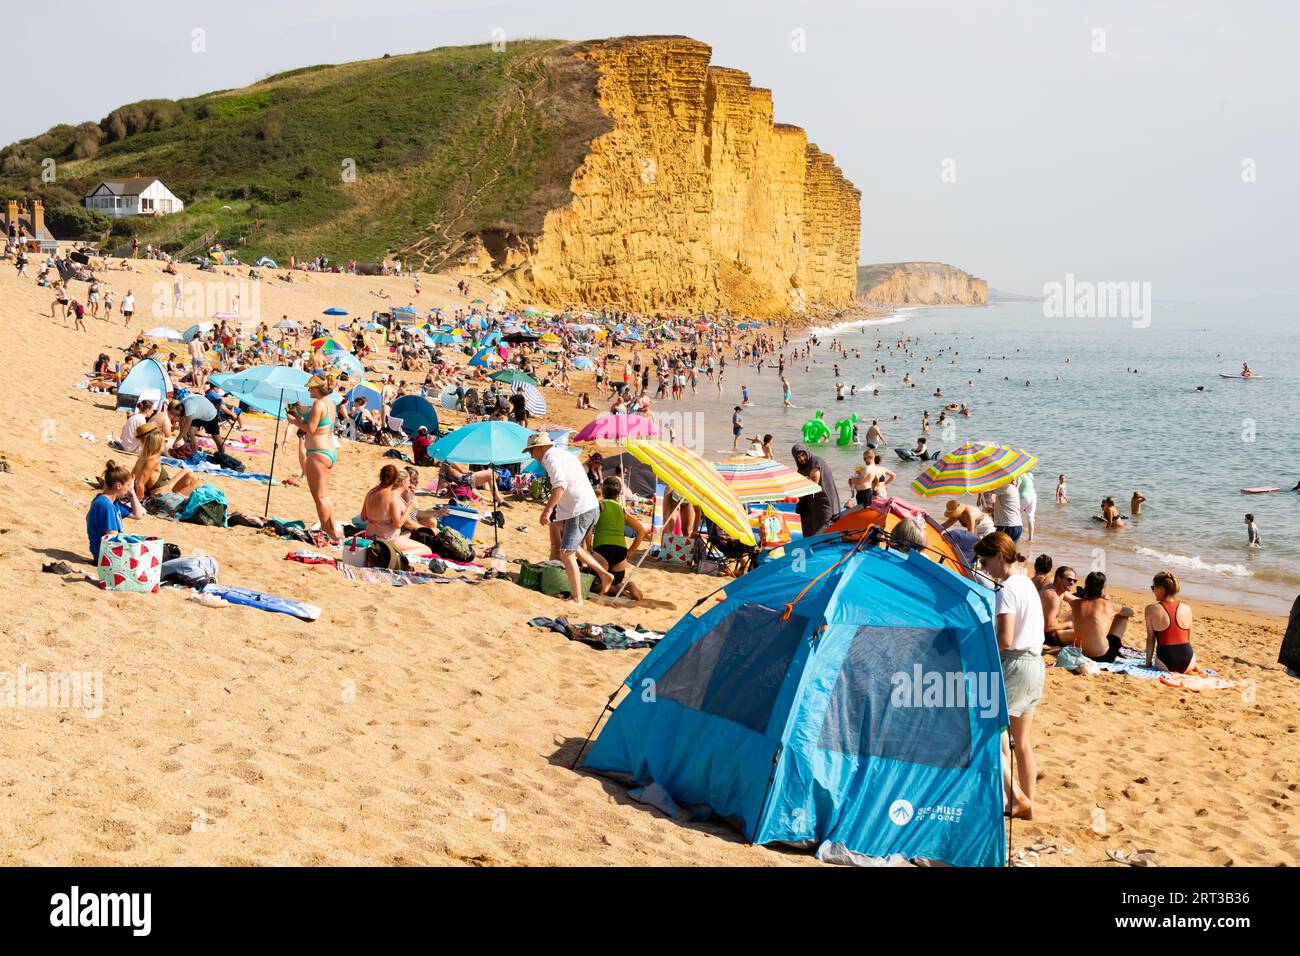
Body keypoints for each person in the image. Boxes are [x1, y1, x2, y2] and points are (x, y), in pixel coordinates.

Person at [973, 532, 1043, 820]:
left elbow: (1005, 637)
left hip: (1014, 664)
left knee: (987, 733)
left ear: (1000, 556)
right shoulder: (1026, 583)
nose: (984, 567)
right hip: (1036, 665)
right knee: (1022, 742)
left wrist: (980, 645)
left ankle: (1016, 797)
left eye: (986, 561)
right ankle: (1027, 801)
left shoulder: (1007, 590)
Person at [527, 432, 613, 604]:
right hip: (590, 507)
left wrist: (547, 510)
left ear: (539, 448)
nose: (531, 456)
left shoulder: (550, 458)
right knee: (573, 548)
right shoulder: (564, 454)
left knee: (566, 554)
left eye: (531, 451)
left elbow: (560, 486)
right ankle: (604, 574)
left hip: (579, 510)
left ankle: (577, 599)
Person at [286, 373, 343, 540]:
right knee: (324, 496)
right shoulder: (330, 403)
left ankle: (328, 532)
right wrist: (299, 416)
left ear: (318, 389)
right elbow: (319, 426)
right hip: (329, 451)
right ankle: (334, 532)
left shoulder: (318, 404)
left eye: (311, 387)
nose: (308, 389)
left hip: (318, 453)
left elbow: (310, 429)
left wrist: (293, 421)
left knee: (319, 497)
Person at [588, 476, 648, 600]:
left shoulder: (600, 506)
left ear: (603, 492)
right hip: (621, 552)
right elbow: (641, 531)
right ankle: (627, 585)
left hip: (602, 549)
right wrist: (630, 552)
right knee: (615, 580)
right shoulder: (622, 510)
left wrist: (589, 549)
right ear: (618, 494)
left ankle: (615, 589)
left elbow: (588, 529)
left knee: (592, 586)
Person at [86, 460, 144, 562]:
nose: (128, 489)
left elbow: (138, 515)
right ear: (118, 485)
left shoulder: (113, 502)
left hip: (109, 551)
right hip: (106, 556)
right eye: (128, 486)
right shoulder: (104, 505)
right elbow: (112, 536)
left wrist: (132, 493)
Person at [359, 465, 426, 554]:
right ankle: (397, 554)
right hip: (386, 540)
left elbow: (363, 518)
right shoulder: (393, 497)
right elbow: (398, 524)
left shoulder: (371, 492)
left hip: (369, 536)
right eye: (408, 480)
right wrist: (409, 507)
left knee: (407, 535)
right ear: (402, 481)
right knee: (426, 550)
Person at [1071, 571, 1134, 663]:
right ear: (1102, 587)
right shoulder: (1106, 604)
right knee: (1122, 616)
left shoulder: (1076, 603)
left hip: (1081, 653)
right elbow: (1131, 612)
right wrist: (1108, 601)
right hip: (1102, 656)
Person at [131, 421, 203, 500]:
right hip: (164, 500)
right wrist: (139, 503)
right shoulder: (152, 461)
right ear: (157, 443)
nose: (165, 444)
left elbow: (132, 478)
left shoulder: (143, 458)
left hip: (164, 492)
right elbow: (139, 484)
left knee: (188, 473)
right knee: (198, 484)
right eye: (164, 441)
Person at [1144, 571, 1196, 673]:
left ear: (1161, 589)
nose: (1153, 590)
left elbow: (1151, 639)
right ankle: (1195, 667)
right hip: (1189, 661)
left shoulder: (1150, 609)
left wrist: (1148, 662)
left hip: (1166, 663)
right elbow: (1187, 639)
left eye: (1153, 587)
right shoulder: (1187, 608)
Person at [791, 443, 840, 537]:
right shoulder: (800, 470)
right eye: (798, 457)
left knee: (824, 530)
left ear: (807, 452)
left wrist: (799, 483)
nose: (801, 458)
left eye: (803, 455)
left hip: (824, 503)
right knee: (810, 531)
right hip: (811, 505)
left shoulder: (815, 460)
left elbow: (813, 483)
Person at [1040, 566, 1078, 646]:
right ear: (1058, 579)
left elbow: (1077, 601)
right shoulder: (1053, 598)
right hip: (1043, 635)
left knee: (1076, 612)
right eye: (1069, 579)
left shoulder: (1059, 588)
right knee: (1080, 633)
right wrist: (1068, 624)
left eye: (1074, 581)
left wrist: (1100, 597)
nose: (1072, 583)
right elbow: (1048, 628)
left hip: (1050, 623)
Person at [1018, 472, 1037, 542]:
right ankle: (1030, 539)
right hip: (1033, 496)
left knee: (1017, 514)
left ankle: (1019, 536)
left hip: (1024, 496)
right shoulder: (1030, 475)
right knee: (1031, 517)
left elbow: (1017, 488)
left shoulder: (1020, 475)